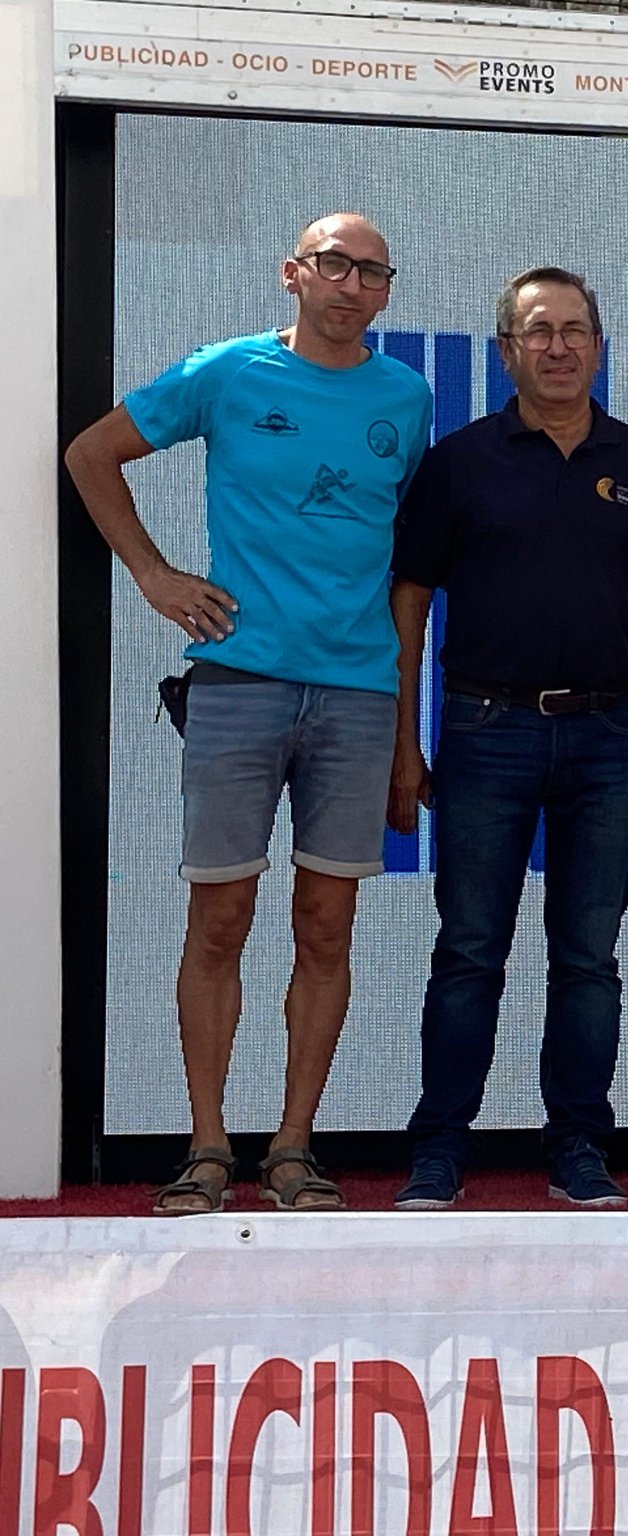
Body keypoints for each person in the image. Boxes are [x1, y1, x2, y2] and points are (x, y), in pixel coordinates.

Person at [64, 213, 432, 1212]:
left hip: (358, 691)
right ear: (293, 274)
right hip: (239, 683)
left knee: (326, 927)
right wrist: (152, 572)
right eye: (334, 266)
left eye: (371, 272)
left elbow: (411, 567)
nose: (351, 285)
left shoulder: (406, 396)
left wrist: (405, 733)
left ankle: (295, 1148)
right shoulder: (226, 371)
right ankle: (208, 1146)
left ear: (386, 291)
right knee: (218, 920)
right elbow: (91, 454)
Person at [385, 267, 628, 1210]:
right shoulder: (459, 462)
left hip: (609, 737)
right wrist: (405, 743)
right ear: (506, 350)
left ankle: (578, 1149)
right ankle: (438, 1150)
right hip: (485, 734)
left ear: (599, 344)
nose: (557, 346)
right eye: (537, 331)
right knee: (470, 948)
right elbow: (410, 606)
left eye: (574, 330)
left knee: (588, 959)